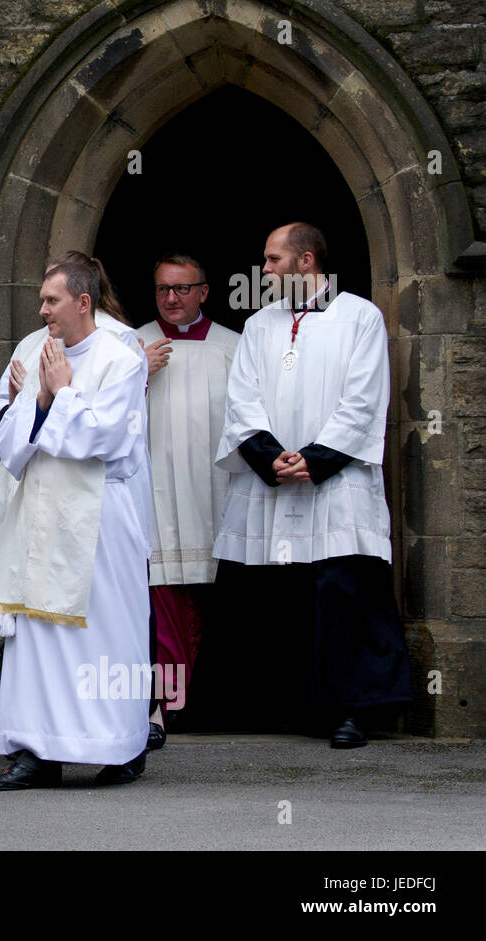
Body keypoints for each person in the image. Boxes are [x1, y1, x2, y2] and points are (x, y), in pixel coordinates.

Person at [213, 222, 412, 747]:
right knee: (282, 595)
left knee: (342, 591)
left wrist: (317, 459)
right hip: (274, 478)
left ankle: (353, 710)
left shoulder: (360, 317)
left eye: (273, 259)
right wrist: (270, 456)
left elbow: (365, 399)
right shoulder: (259, 325)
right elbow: (241, 400)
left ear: (306, 261)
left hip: (338, 482)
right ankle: (290, 707)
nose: (265, 269)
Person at [0, 257, 151, 789]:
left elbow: (107, 436)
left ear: (83, 302)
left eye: (51, 300)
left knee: (106, 633)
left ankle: (119, 746)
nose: (42, 310)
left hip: (99, 516)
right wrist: (35, 399)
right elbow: (5, 434)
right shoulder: (34, 350)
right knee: (37, 635)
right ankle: (37, 751)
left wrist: (63, 393)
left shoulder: (122, 357)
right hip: (39, 512)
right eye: (41, 300)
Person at [134, 253, 240, 746]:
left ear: (204, 292)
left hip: (216, 487)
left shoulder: (232, 347)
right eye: (162, 289)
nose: (171, 298)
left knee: (215, 594)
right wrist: (137, 372)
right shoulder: (131, 345)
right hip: (155, 487)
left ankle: (215, 701)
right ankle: (169, 704)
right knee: (162, 596)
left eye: (181, 288)